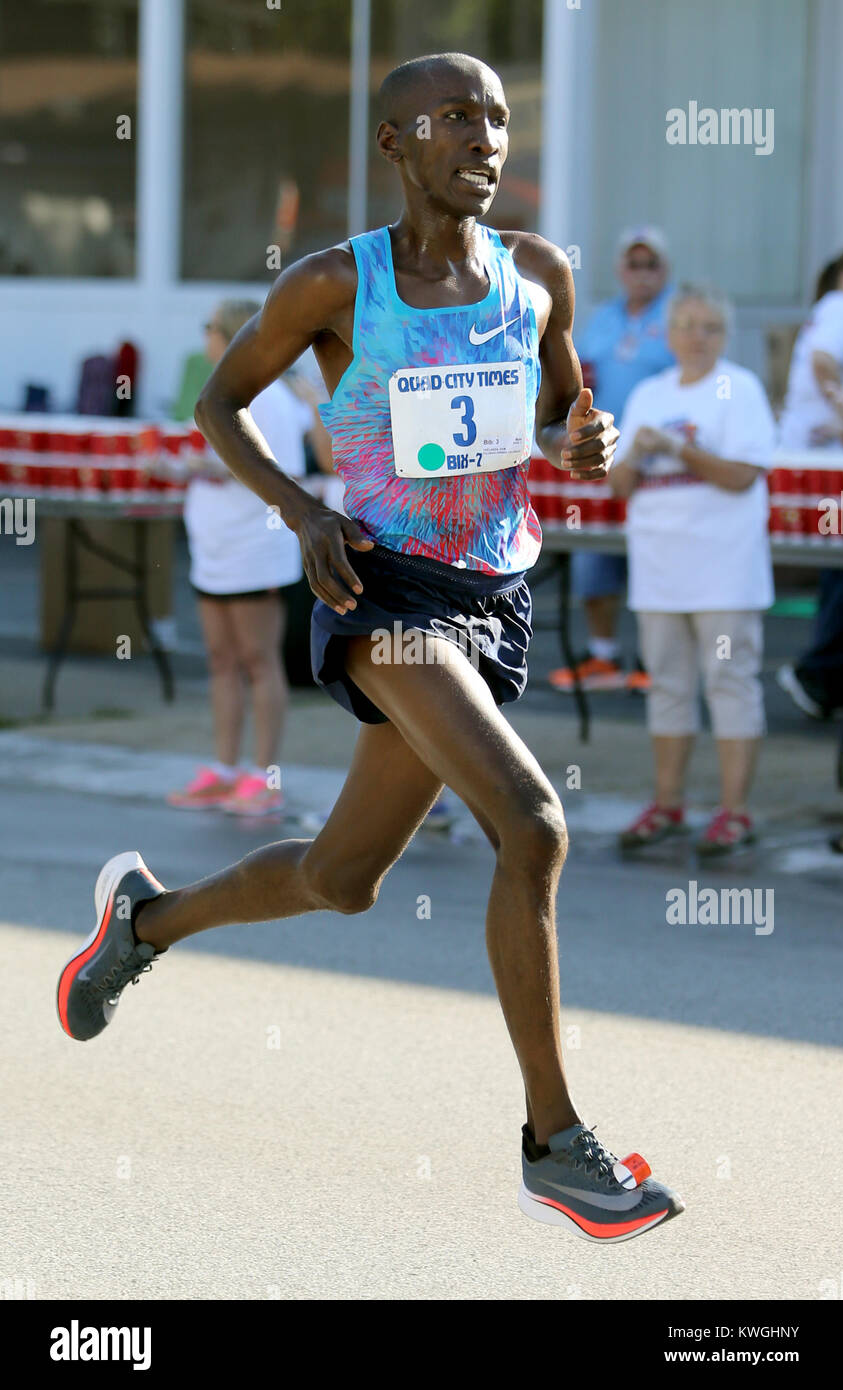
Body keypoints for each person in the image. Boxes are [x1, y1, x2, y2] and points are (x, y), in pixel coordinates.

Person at [56, 52, 683, 1244]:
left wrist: (578, 444)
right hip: (380, 590)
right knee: (532, 823)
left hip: (496, 599)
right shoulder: (337, 283)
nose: (483, 139)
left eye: (496, 119)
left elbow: (556, 421)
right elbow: (218, 403)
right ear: (394, 144)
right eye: (453, 119)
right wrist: (301, 509)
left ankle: (141, 921)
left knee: (344, 881)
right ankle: (555, 1145)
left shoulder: (539, 274)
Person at [609, 285, 776, 854]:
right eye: (686, 325)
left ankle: (735, 812)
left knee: (730, 684)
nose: (697, 337)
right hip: (659, 568)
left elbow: (743, 476)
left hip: (724, 569)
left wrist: (678, 450)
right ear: (669, 333)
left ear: (725, 336)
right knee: (669, 687)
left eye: (709, 327)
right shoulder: (649, 393)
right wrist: (635, 453)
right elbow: (618, 485)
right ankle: (668, 803)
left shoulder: (741, 389)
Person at [167, 299, 332, 815]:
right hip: (215, 548)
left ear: (229, 335)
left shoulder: (270, 397)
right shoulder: (229, 388)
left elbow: (256, 468)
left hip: (254, 550)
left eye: (210, 327)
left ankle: (265, 777)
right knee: (222, 660)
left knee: (259, 661)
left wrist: (187, 467)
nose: (205, 336)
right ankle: (225, 768)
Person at [549, 227, 675, 693]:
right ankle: (604, 656)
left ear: (664, 270)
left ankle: (651, 658)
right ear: (621, 270)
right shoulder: (602, 317)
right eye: (634, 264)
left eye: (651, 264)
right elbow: (580, 371)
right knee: (594, 553)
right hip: (604, 454)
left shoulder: (678, 315)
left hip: (660, 462)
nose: (641, 274)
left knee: (654, 558)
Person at [776, 250, 843, 721]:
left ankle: (824, 678)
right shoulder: (841, 306)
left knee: (838, 570)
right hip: (818, 469)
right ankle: (819, 673)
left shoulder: (831, 308)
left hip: (814, 465)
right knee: (841, 567)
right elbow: (825, 365)